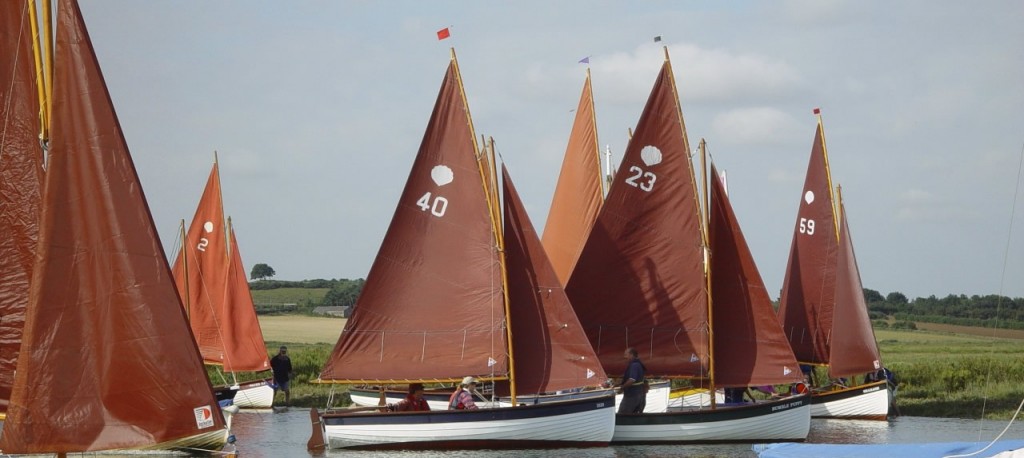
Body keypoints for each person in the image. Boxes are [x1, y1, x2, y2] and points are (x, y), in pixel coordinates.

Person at [617, 347, 646, 414]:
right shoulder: (639, 364)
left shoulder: (634, 365)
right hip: (640, 395)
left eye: (626, 355)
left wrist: (622, 387)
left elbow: (632, 380)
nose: (624, 357)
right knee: (635, 417)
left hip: (632, 396)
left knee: (622, 416)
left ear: (631, 355)